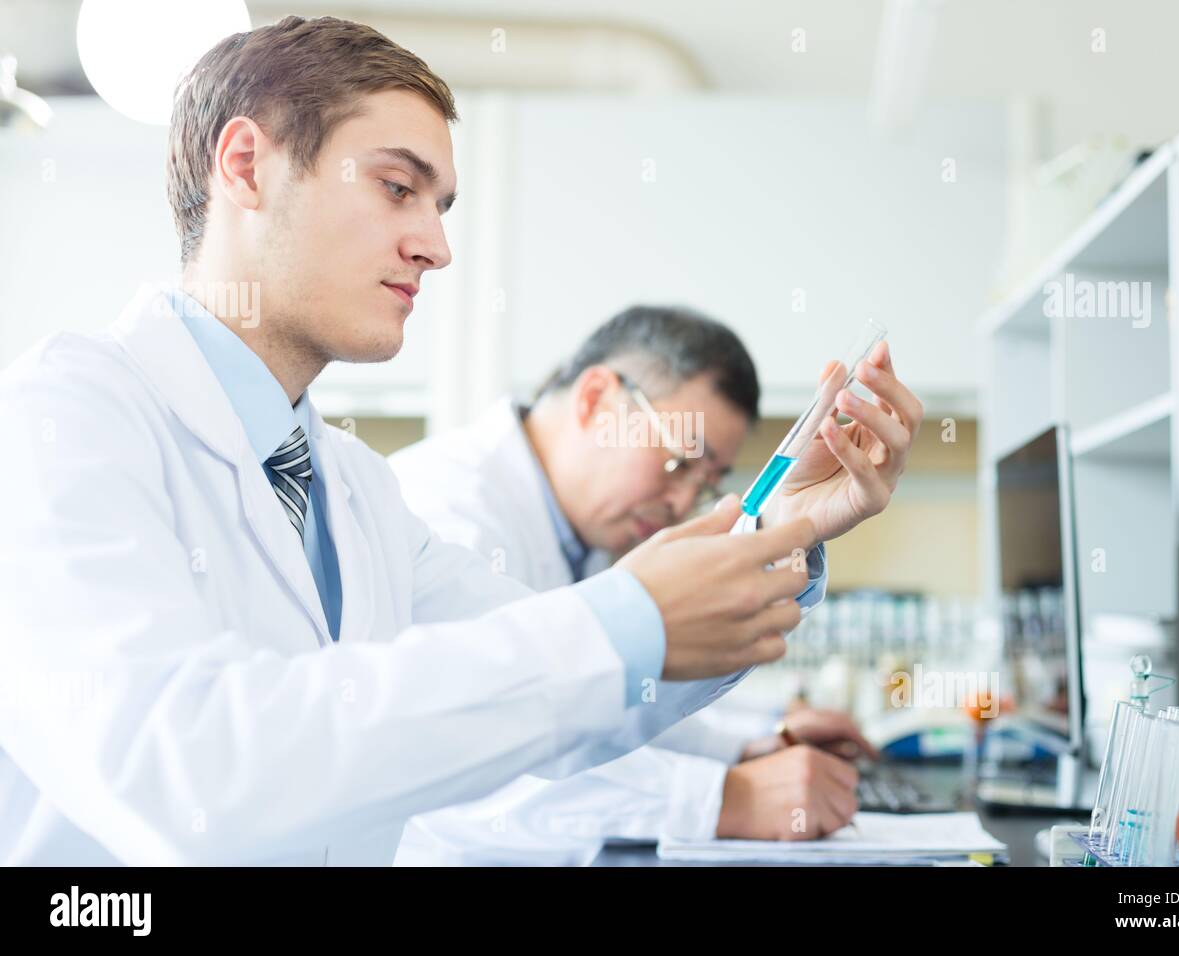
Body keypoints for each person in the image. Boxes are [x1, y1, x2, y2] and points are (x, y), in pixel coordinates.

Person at [0, 17, 917, 866]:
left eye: (440, 205)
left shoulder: (353, 488)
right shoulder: (70, 412)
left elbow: (564, 705)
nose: (436, 246)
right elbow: (181, 765)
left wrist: (783, 531)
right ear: (245, 166)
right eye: (399, 188)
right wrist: (629, 618)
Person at [390, 306, 902, 863]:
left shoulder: (579, 538)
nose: (683, 503)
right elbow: (479, 759)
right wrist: (725, 797)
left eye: (706, 483)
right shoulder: (449, 507)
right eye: (681, 462)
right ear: (595, 401)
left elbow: (608, 703)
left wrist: (752, 743)